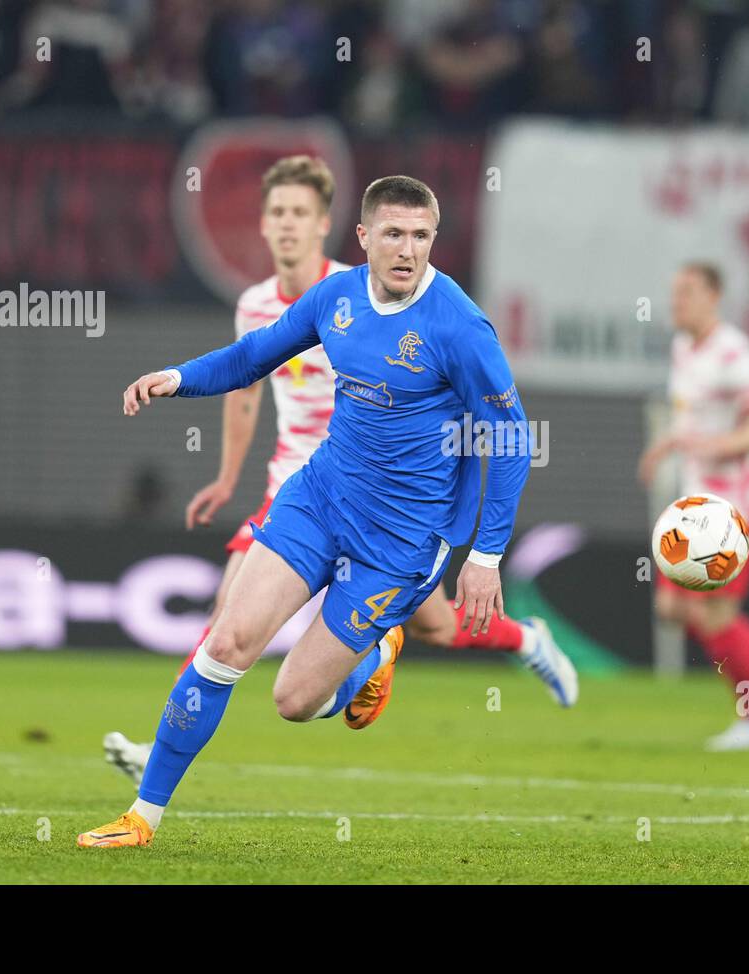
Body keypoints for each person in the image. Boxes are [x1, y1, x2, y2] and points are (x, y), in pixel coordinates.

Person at [79, 175, 551, 848]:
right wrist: (178, 378)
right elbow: (251, 359)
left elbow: (509, 440)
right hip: (319, 499)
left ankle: (377, 653)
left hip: (402, 543)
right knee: (227, 643)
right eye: (394, 233)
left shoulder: (460, 328)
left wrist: (485, 555)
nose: (408, 250)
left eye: (421, 236)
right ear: (363, 238)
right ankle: (142, 816)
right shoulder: (335, 298)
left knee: (294, 702)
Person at [639, 262, 749, 752]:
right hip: (698, 506)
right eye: (674, 292)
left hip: (733, 510)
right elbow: (694, 418)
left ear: (715, 297)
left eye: (688, 292)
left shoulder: (734, 354)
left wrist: (723, 444)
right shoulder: (684, 348)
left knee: (714, 615)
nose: (677, 302)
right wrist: (667, 447)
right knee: (672, 605)